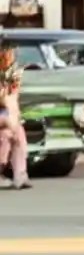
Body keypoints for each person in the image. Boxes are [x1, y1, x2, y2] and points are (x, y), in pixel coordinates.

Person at [0, 47, 30, 190]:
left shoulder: (10, 76)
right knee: (6, 136)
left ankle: (20, 175)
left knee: (15, 133)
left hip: (6, 117)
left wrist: (12, 120)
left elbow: (12, 100)